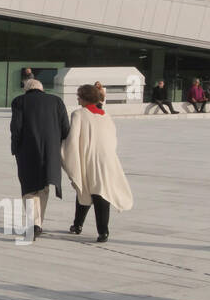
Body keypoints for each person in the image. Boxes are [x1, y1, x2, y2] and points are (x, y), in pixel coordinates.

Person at [63, 84, 134, 243]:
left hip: (90, 158)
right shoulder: (106, 116)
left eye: (79, 95)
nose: (77, 98)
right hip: (107, 159)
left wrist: (64, 151)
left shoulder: (78, 114)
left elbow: (72, 140)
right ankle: (94, 229)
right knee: (97, 191)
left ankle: (89, 228)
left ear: (85, 98)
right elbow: (112, 139)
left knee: (88, 190)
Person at [10, 78, 71, 239]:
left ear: (26, 89)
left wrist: (14, 148)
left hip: (27, 150)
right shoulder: (57, 101)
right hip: (51, 151)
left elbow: (16, 127)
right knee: (44, 186)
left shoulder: (19, 101)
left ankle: (33, 224)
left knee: (29, 188)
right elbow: (66, 129)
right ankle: (38, 224)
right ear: (41, 88)